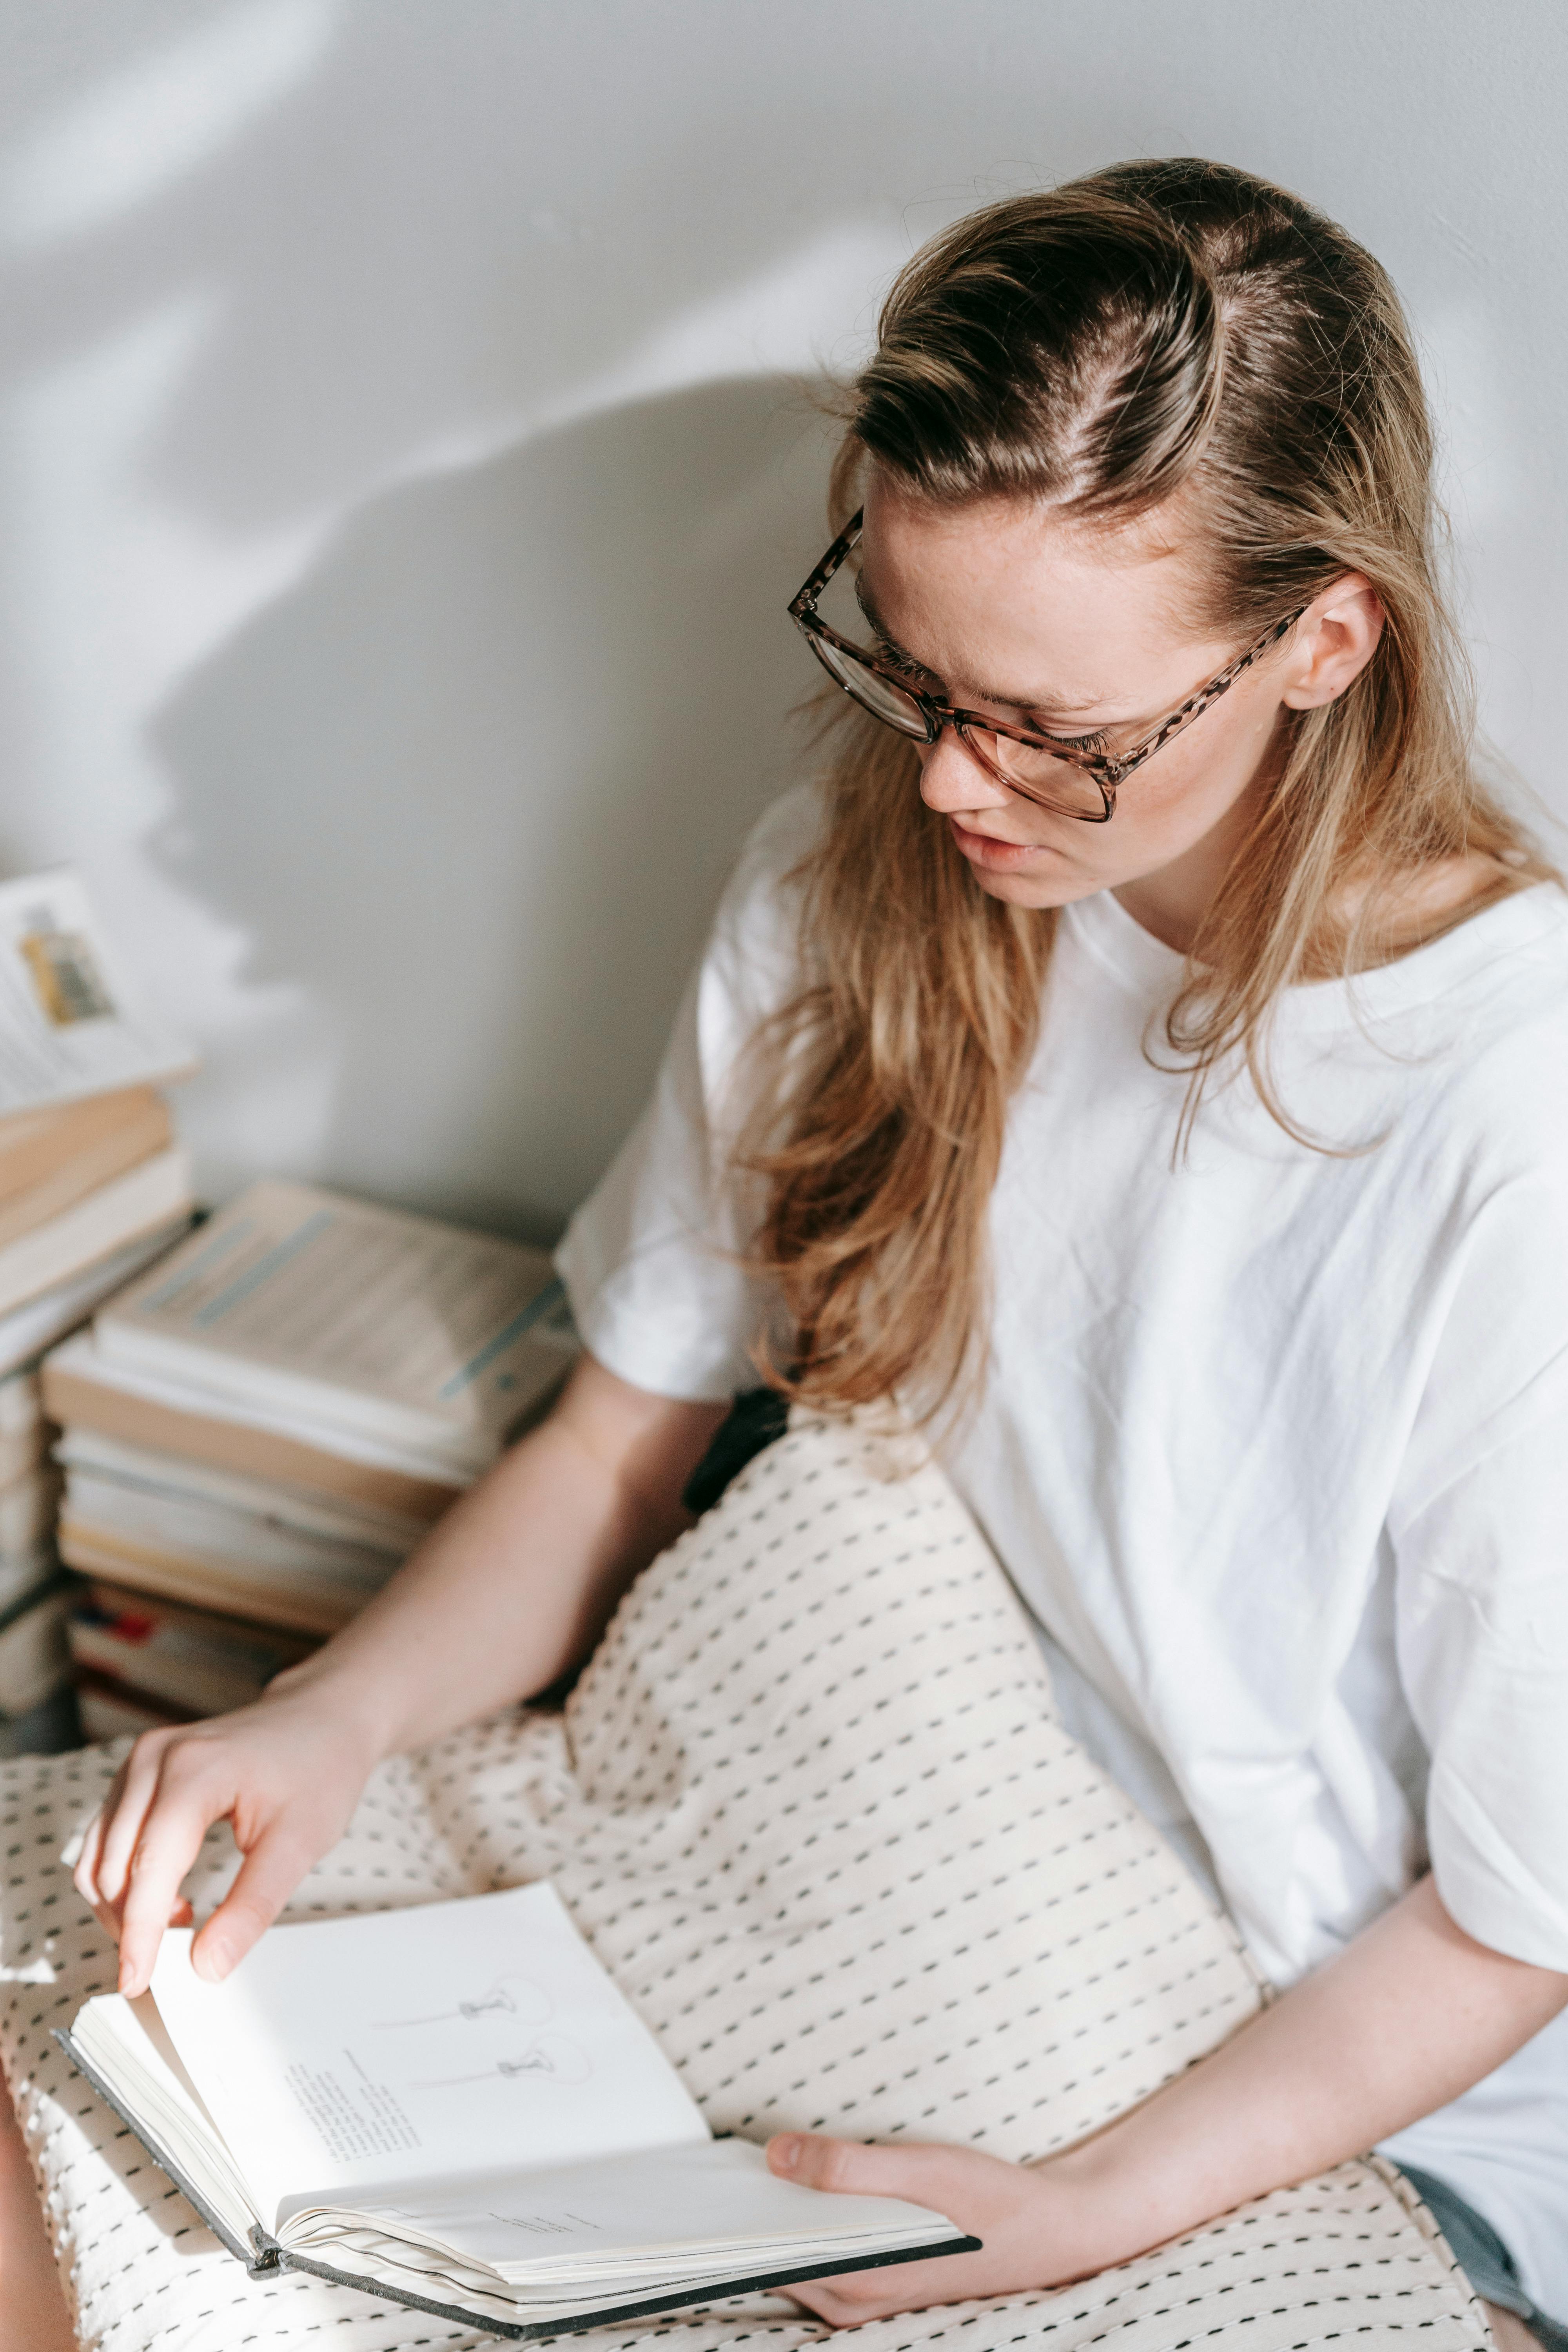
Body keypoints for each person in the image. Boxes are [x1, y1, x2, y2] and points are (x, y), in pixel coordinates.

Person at [20, 158, 1568, 2349]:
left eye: (1059, 728)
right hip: (886, 1822)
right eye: (917, 674)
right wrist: (328, 1717)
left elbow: (1522, 1921)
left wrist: (1075, 2213)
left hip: (1342, 2070)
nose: (955, 779)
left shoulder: (1521, 1119)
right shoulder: (852, 892)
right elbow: (615, 1444)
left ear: (1326, 639)